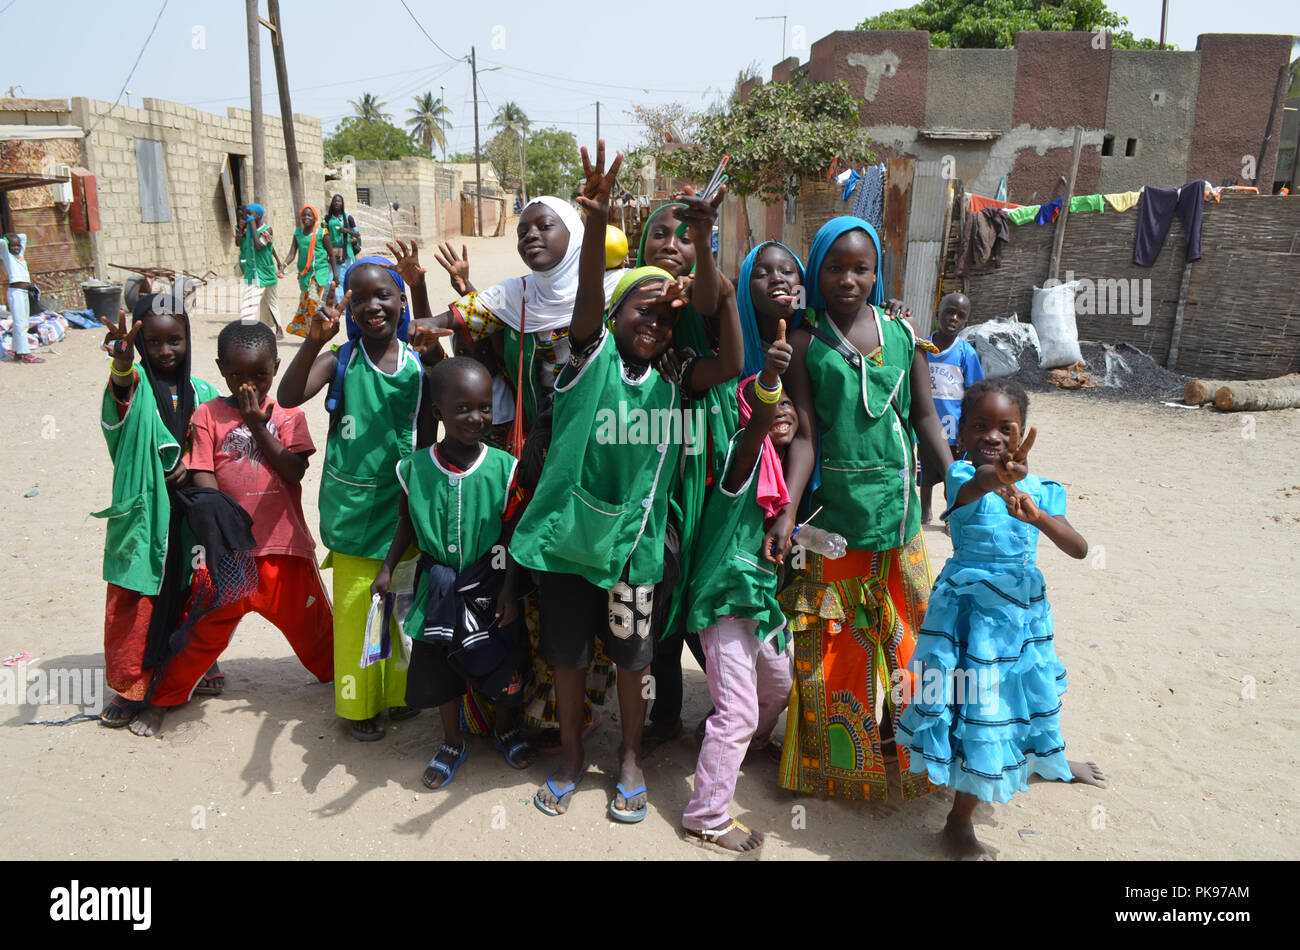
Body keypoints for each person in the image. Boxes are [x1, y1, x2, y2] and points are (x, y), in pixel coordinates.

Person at [511, 142, 741, 821]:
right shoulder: (587, 354)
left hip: (632, 552)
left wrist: (706, 256)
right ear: (612, 317)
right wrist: (597, 220)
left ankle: (631, 759)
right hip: (564, 545)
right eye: (640, 309)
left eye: (666, 317)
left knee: (635, 660)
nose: (655, 321)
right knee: (570, 659)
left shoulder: (676, 378)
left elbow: (730, 361)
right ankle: (575, 755)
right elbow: (588, 297)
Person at [763, 216, 953, 802]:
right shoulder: (802, 343)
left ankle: (912, 752)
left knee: (912, 641)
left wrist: (958, 482)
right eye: (835, 268)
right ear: (816, 272)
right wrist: (787, 512)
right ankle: (827, 764)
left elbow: (923, 417)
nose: (849, 279)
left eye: (861, 268)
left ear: (879, 272)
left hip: (899, 520)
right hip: (835, 524)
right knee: (832, 646)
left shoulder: (902, 333)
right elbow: (806, 437)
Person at [897, 379, 1105, 859]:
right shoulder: (958, 477)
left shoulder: (1043, 492)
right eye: (980, 427)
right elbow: (978, 486)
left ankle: (1046, 759)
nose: (992, 436)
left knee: (1025, 697)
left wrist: (1038, 519)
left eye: (1005, 428)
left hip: (1021, 618)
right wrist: (1003, 477)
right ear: (963, 434)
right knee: (980, 710)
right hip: (969, 621)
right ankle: (957, 823)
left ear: (1024, 433)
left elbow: (1078, 548)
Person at [128, 321, 335, 736]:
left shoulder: (288, 414)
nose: (249, 384)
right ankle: (163, 700)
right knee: (199, 634)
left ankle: (351, 688)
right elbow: (204, 474)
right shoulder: (208, 415)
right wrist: (221, 526)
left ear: (276, 368)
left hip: (284, 551)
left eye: (260, 374)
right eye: (238, 375)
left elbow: (294, 471)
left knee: (322, 636)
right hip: (230, 557)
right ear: (222, 370)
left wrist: (259, 424)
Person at [277, 257, 446, 740]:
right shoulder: (341, 359)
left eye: (384, 295)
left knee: (400, 607)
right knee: (356, 609)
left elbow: (453, 386)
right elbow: (288, 397)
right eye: (361, 297)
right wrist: (314, 341)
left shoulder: (419, 360)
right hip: (351, 509)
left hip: (407, 507)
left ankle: (397, 695)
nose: (373, 306)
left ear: (401, 303)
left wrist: (423, 289)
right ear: (347, 306)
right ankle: (358, 706)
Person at [372, 357, 538, 789]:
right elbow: (406, 523)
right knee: (442, 666)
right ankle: (450, 741)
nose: (476, 417)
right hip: (439, 588)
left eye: (484, 407)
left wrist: (509, 589)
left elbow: (512, 534)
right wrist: (388, 568)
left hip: (490, 584)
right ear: (438, 413)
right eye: (463, 408)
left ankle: (506, 728)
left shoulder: (504, 468)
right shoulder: (414, 468)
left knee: (504, 663)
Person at [682, 324, 796, 853]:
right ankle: (706, 815)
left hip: (759, 601)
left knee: (778, 683)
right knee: (740, 711)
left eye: (791, 404)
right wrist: (771, 375)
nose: (785, 410)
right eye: (775, 403)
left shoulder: (782, 479)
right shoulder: (741, 457)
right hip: (725, 600)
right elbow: (755, 422)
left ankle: (732, 748)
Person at [633, 196, 736, 755]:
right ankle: (667, 711)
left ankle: (733, 708)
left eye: (685, 236)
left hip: (701, 463)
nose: (671, 245)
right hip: (646, 463)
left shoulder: (705, 295)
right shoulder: (628, 298)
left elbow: (706, 295)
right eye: (660, 235)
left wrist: (705, 239)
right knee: (661, 585)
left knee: (702, 588)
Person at [94, 296, 221, 727]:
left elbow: (217, 443)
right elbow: (121, 397)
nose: (165, 351)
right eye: (154, 342)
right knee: (138, 599)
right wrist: (123, 365)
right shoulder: (137, 386)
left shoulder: (202, 392)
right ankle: (132, 686)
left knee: (194, 591)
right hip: (147, 516)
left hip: (189, 521)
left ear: (188, 340)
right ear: (141, 343)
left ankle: (194, 666)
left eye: (175, 340)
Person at [921, 292, 984, 522]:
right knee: (925, 474)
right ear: (938, 313)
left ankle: (951, 514)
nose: (953, 318)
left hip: (954, 429)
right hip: (927, 427)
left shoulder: (965, 353)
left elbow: (975, 392)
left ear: (966, 322)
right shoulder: (922, 348)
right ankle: (924, 511)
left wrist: (969, 428)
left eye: (961, 315)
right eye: (949, 312)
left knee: (953, 474)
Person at [280, 205, 334, 338]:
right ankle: (310, 330)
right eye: (304, 215)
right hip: (305, 274)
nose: (306, 218)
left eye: (309, 215)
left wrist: (336, 276)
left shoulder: (322, 233)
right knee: (305, 303)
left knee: (312, 299)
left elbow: (331, 254)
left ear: (315, 217)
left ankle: (316, 330)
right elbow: (292, 253)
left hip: (319, 272)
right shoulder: (298, 233)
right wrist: (284, 265)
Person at [234, 204, 284, 338]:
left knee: (270, 301)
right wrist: (242, 229)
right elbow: (238, 243)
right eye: (247, 214)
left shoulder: (267, 229)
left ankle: (279, 328)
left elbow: (259, 246)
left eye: (251, 213)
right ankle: (253, 330)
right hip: (252, 271)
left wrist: (253, 228)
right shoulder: (248, 229)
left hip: (266, 271)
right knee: (252, 301)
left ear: (259, 215)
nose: (248, 216)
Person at [2, 232, 43, 364]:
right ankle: (24, 353)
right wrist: (7, 241)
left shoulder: (20, 256)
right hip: (16, 293)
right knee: (20, 322)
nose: (17, 248)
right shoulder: (7, 256)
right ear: (8, 246)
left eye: (18, 245)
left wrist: (16, 240)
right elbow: (2, 243)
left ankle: (17, 351)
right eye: (13, 246)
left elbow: (24, 236)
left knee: (23, 322)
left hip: (24, 293)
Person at [325, 194, 359, 291]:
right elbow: (324, 234)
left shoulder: (348, 218)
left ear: (342, 203)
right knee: (331, 279)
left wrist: (346, 231)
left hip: (346, 252)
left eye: (339, 201)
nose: (337, 203)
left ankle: (345, 302)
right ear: (332, 203)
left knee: (345, 278)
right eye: (335, 201)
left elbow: (357, 235)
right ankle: (335, 303)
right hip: (333, 252)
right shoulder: (327, 218)